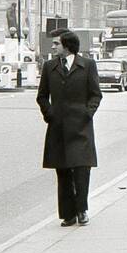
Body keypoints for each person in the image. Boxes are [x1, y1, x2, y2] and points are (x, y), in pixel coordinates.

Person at [37, 29, 103, 227]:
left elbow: (95, 94)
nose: (53, 46)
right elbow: (42, 96)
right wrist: (49, 114)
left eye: (57, 43)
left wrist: (87, 113)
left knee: (82, 169)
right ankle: (68, 214)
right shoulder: (49, 67)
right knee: (63, 170)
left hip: (81, 126)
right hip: (58, 127)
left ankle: (82, 209)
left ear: (67, 46)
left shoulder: (88, 65)